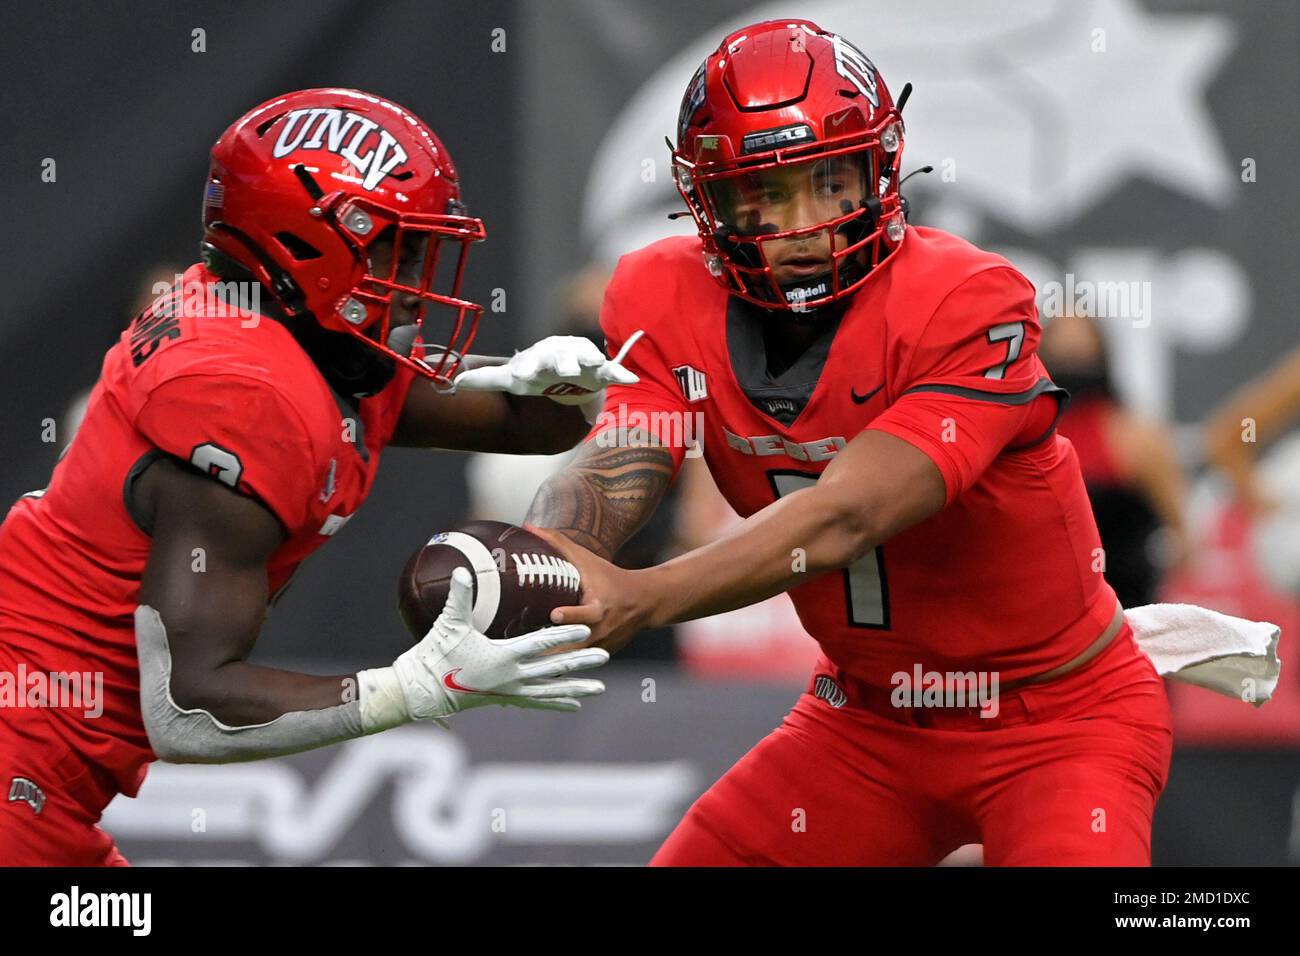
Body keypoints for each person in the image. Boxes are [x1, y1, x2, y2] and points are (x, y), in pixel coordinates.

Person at [525, 21, 1173, 866]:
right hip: (865, 720)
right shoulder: (659, 292)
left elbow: (845, 517)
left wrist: (643, 597)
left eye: (831, 183)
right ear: (705, 201)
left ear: (881, 171)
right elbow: (629, 454)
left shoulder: (966, 299)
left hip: (1056, 718)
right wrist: (549, 555)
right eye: (764, 192)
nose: (804, 225)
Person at [0, 88, 629, 865]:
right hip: (22, 763)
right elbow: (188, 708)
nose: (412, 279)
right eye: (394, 249)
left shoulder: (291, 331)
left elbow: (526, 421)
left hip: (45, 772)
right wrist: (411, 688)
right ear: (306, 247)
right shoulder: (245, 392)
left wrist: (571, 382)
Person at [1040, 312, 1190, 608]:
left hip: (1124, 606)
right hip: (1040, 605)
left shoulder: (1136, 436)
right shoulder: (1017, 434)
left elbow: (1183, 536)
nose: (1071, 353)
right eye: (1062, 345)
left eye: (1080, 346)